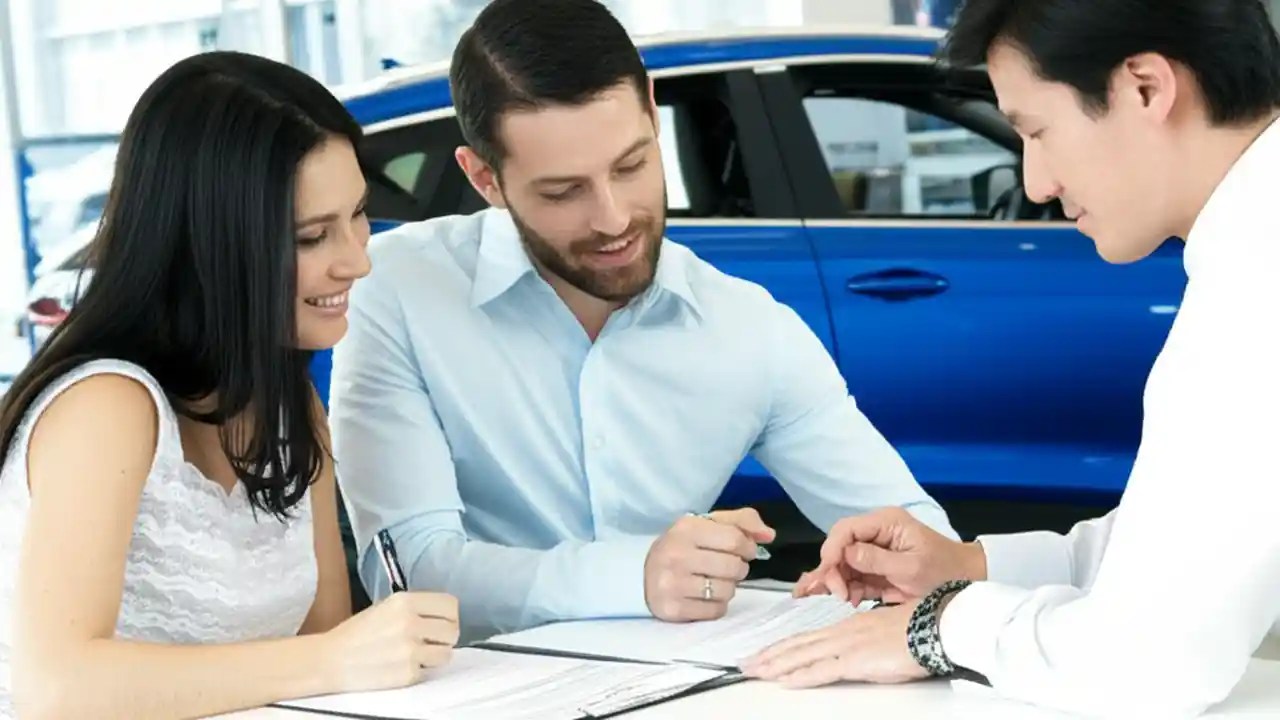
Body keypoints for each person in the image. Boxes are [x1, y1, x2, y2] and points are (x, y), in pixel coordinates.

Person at [329, 0, 955, 644]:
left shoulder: (750, 327)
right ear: (484, 177)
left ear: (653, 114)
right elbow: (407, 575)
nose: (613, 218)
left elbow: (918, 538)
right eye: (563, 191)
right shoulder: (395, 289)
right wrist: (634, 577)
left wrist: (893, 566)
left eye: (631, 165)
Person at [743, 1, 1280, 717]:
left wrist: (938, 627)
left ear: (1145, 88)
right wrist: (970, 567)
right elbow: (1194, 541)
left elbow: (1150, 663)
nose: (1035, 184)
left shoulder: (1255, 287)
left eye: (1037, 130)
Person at [0, 52, 459, 720]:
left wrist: (367, 654)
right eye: (311, 236)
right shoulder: (106, 406)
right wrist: (335, 660)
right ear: (209, 246)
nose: (358, 260)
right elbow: (58, 686)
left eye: (358, 214)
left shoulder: (288, 403)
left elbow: (327, 645)